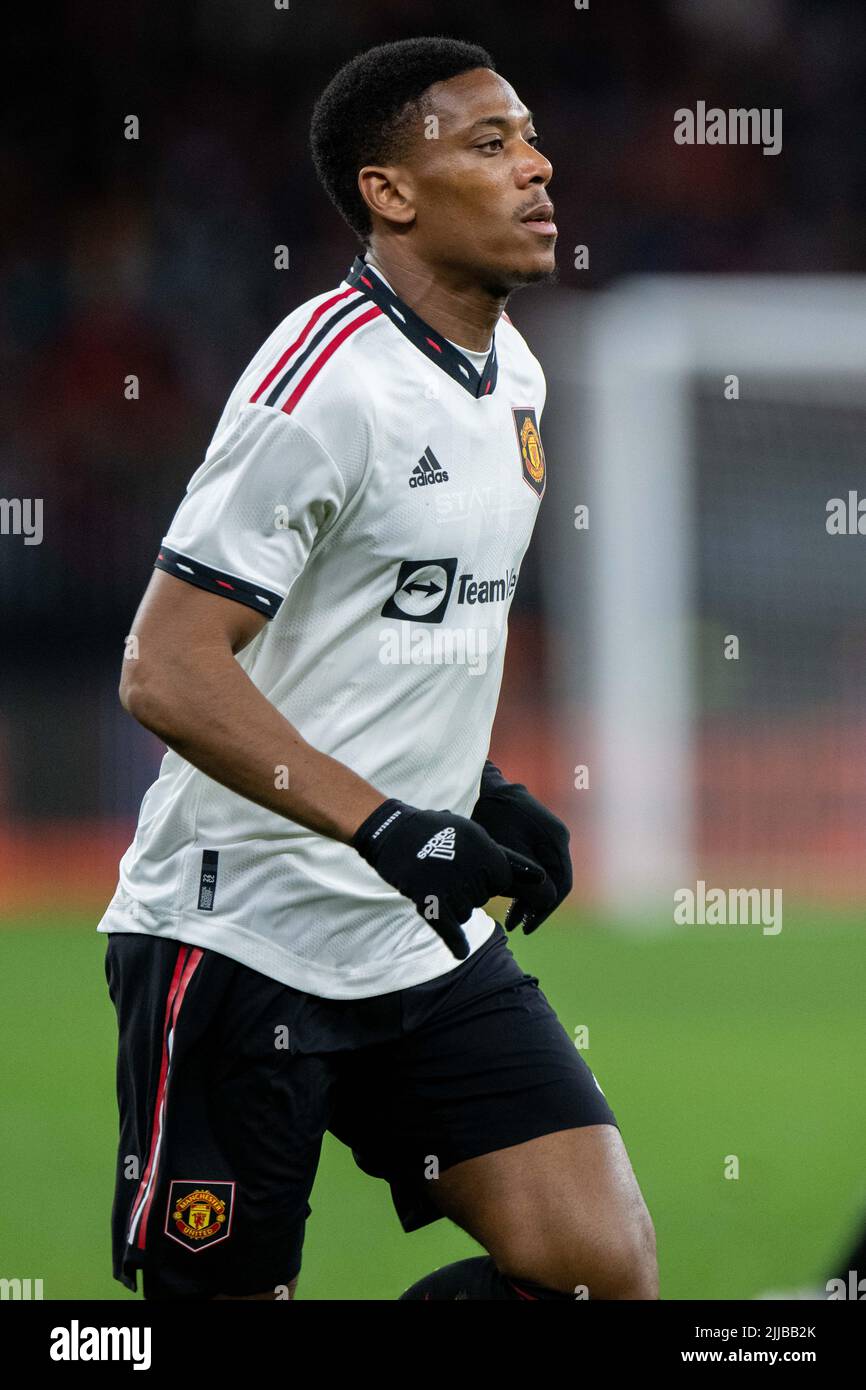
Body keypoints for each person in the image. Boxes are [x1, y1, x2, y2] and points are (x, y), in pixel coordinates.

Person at [99, 35, 658, 1301]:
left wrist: (474, 784)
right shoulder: (324, 382)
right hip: (240, 933)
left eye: (527, 137)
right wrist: (389, 820)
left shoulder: (511, 371)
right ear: (388, 193)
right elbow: (165, 666)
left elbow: (384, 637)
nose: (537, 166)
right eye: (487, 143)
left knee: (593, 1275)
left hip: (416, 935)